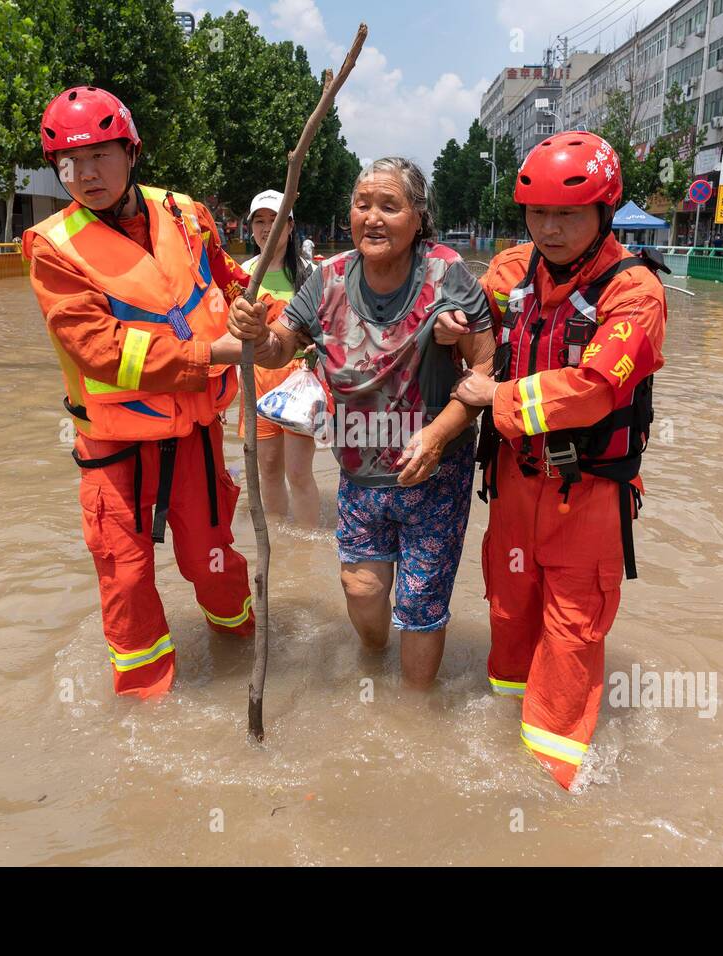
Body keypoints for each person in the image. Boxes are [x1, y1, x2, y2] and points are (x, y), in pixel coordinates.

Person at [22, 86, 282, 699]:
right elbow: (102, 351)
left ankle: (243, 644)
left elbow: (229, 281)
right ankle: (145, 712)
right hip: (115, 449)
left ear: (131, 152)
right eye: (69, 164)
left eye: (99, 157)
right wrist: (212, 355)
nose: (85, 175)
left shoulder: (188, 214)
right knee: (126, 578)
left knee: (212, 560)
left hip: (194, 433)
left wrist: (272, 319)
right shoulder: (52, 250)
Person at [441, 131, 669, 788]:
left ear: (604, 212)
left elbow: (596, 388)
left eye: (567, 214)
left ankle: (548, 789)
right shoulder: (515, 269)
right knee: (509, 618)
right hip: (514, 486)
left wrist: (497, 394)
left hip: (587, 496)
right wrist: (458, 328)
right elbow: (465, 306)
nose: (550, 228)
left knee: (570, 639)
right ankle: (497, 749)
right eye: (537, 214)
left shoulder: (634, 294)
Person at [229, 157, 495, 689]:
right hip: (358, 469)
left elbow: (487, 367)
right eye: (362, 204)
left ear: (419, 217)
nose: (372, 217)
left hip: (434, 473)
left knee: (421, 604)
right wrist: (256, 335)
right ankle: (374, 664)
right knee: (361, 589)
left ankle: (415, 716)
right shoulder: (327, 279)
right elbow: (283, 343)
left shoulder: (447, 274)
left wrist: (439, 435)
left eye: (389, 206)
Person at [240, 189, 321, 526]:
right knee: (268, 470)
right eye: (259, 220)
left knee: (299, 472)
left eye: (275, 220)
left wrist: (319, 347)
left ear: (290, 226)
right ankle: (279, 543)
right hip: (255, 385)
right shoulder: (240, 274)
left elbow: (327, 327)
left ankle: (308, 540)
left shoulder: (310, 274)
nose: (266, 227)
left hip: (297, 386)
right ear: (250, 228)